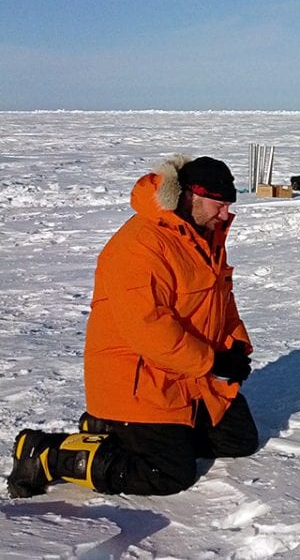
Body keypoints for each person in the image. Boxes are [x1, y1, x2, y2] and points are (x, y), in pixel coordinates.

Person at [8, 155, 260, 497]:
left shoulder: (202, 239)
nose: (226, 214)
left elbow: (221, 302)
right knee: (169, 472)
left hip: (187, 374)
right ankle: (48, 453)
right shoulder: (141, 245)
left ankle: (118, 433)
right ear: (190, 197)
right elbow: (150, 331)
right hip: (139, 379)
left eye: (228, 205)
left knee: (238, 439)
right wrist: (213, 363)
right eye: (219, 204)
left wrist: (235, 348)